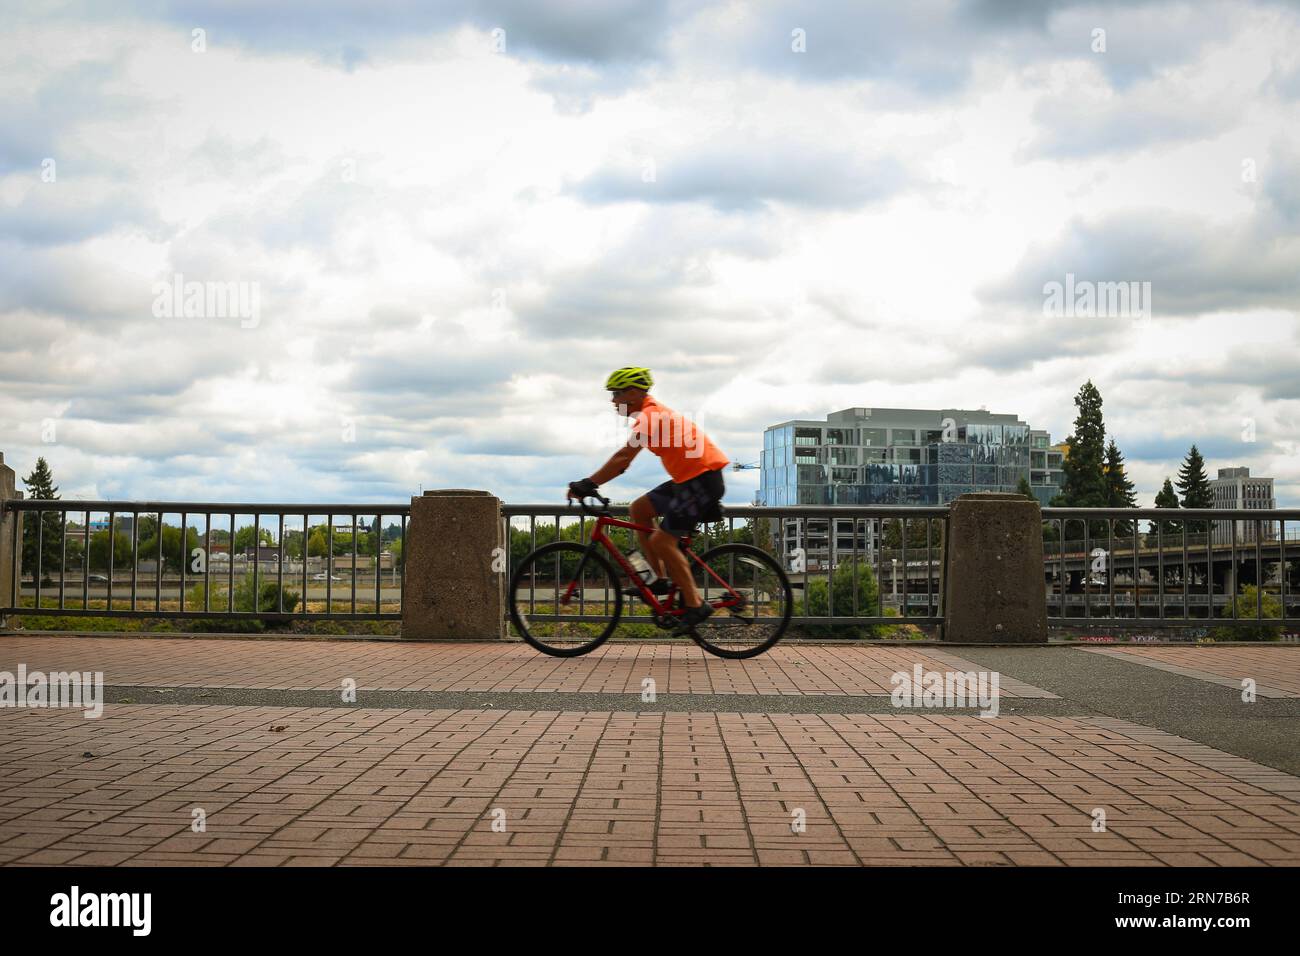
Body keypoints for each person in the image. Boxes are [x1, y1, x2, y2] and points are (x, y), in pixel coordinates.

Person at [566, 367, 730, 633]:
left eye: (616, 394)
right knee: (639, 509)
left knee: (662, 540)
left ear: (633, 393)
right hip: (687, 480)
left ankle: (695, 604)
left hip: (701, 480)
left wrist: (588, 483)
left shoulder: (651, 416)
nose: (612, 401)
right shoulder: (649, 415)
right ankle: (658, 580)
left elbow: (623, 459)